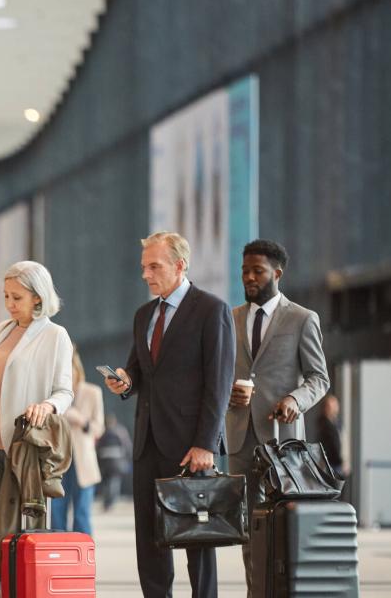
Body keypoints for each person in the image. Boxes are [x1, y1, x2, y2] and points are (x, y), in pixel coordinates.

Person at [103, 231, 235, 598]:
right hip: (147, 443)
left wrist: (206, 443)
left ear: (179, 265)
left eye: (154, 266)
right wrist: (125, 383)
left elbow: (219, 383)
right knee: (149, 539)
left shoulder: (211, 310)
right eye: (144, 267)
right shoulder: (144, 314)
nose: (146, 274)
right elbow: (138, 372)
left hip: (190, 447)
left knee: (197, 540)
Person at [0, 261, 74, 597]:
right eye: (6, 296)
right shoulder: (2, 330)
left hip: (22, 449)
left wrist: (47, 406)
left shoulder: (55, 336)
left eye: (17, 297)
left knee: (18, 537)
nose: (9, 304)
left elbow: (65, 391)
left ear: (38, 297)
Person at [224, 239, 330, 595]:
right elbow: (218, 377)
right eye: (244, 271)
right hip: (240, 440)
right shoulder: (230, 318)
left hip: (283, 445)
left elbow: (319, 378)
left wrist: (294, 400)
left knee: (284, 527)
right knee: (248, 528)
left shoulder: (302, 319)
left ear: (277, 273)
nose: (249, 277)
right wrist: (229, 393)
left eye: (257, 271)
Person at [49, 348, 105, 536]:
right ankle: (59, 556)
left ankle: (83, 559)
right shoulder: (51, 395)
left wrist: (81, 420)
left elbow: (99, 428)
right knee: (56, 513)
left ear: (77, 369)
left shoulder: (92, 392)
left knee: (82, 513)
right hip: (58, 461)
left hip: (84, 463)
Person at [95, 413, 132, 511]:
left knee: (107, 482)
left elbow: (97, 447)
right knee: (114, 482)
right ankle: (110, 502)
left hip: (104, 462)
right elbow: (127, 446)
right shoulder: (120, 431)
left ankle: (107, 502)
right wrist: (127, 460)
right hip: (117, 462)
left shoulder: (102, 431)